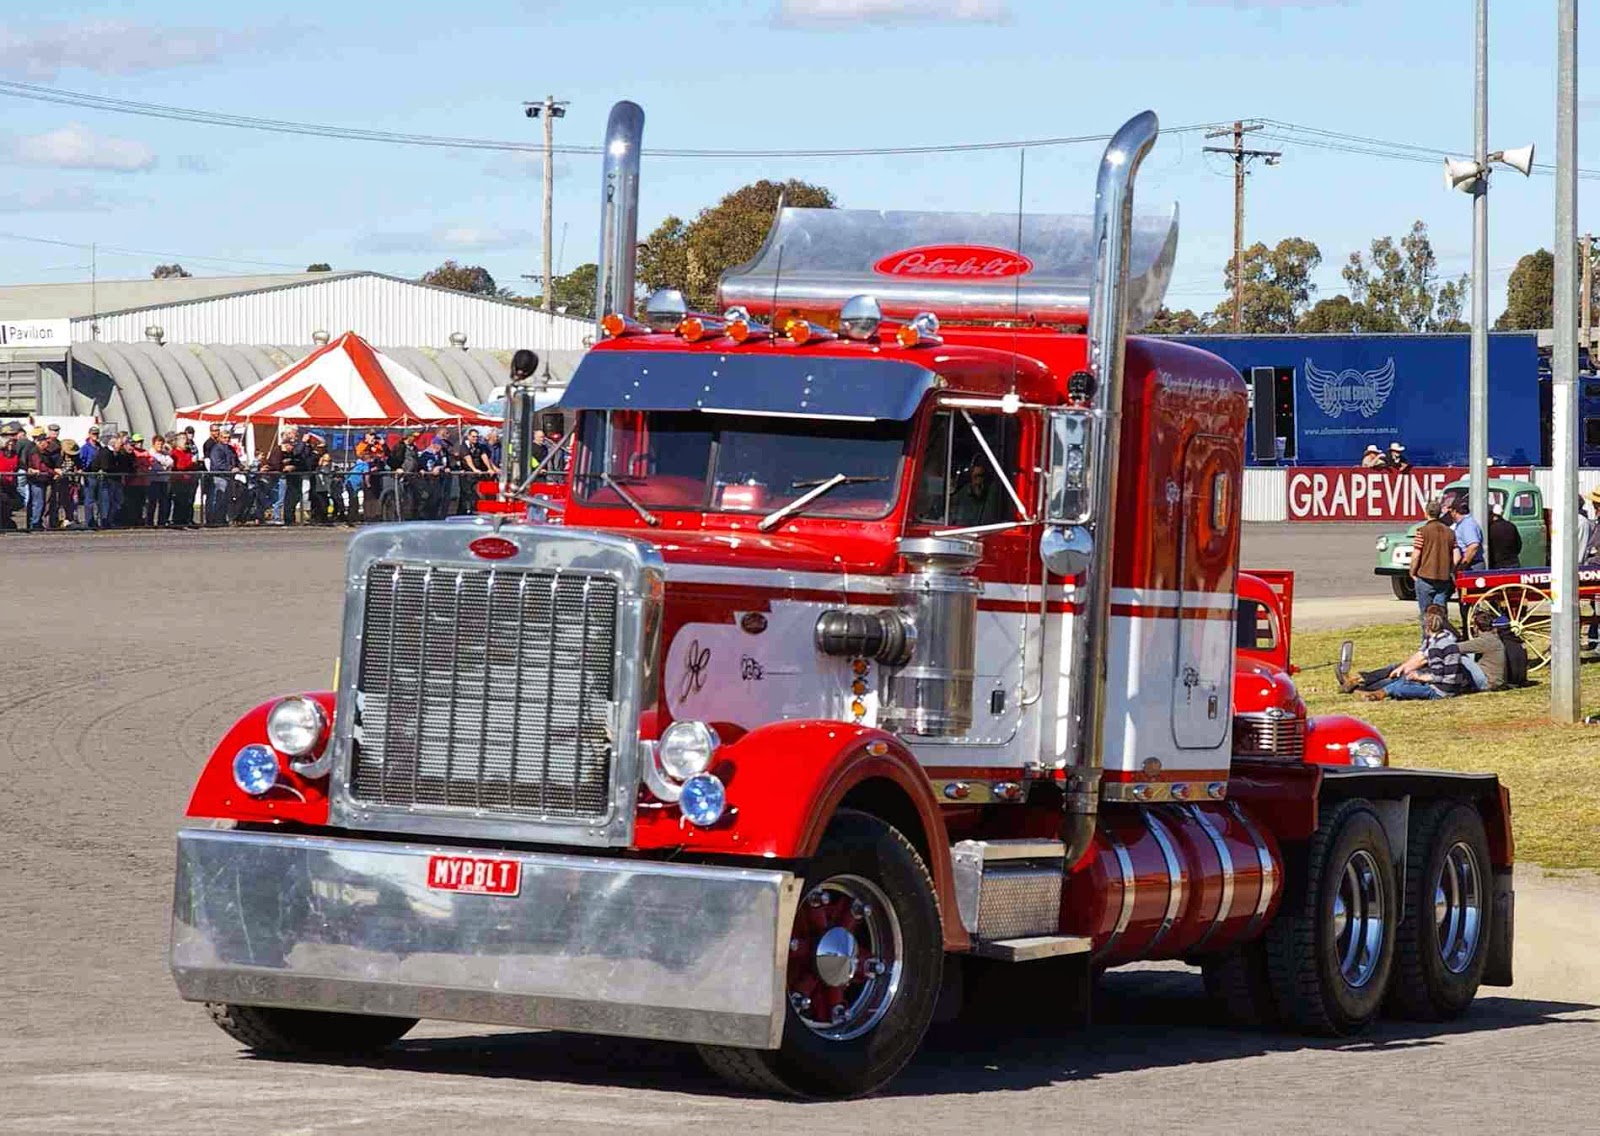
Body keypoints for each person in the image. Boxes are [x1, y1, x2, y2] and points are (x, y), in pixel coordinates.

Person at [1360, 605, 1471, 701]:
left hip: (1441, 691)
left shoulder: (1436, 647)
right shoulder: (1447, 642)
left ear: (1427, 627)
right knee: (1403, 678)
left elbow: (1438, 677)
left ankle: (1376, 693)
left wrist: (1419, 677)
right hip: (1453, 687)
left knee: (1399, 687)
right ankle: (1370, 688)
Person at [1487, 501, 1522, 568]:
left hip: (1498, 565)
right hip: (1513, 563)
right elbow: (1518, 545)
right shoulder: (1511, 526)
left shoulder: (1490, 528)